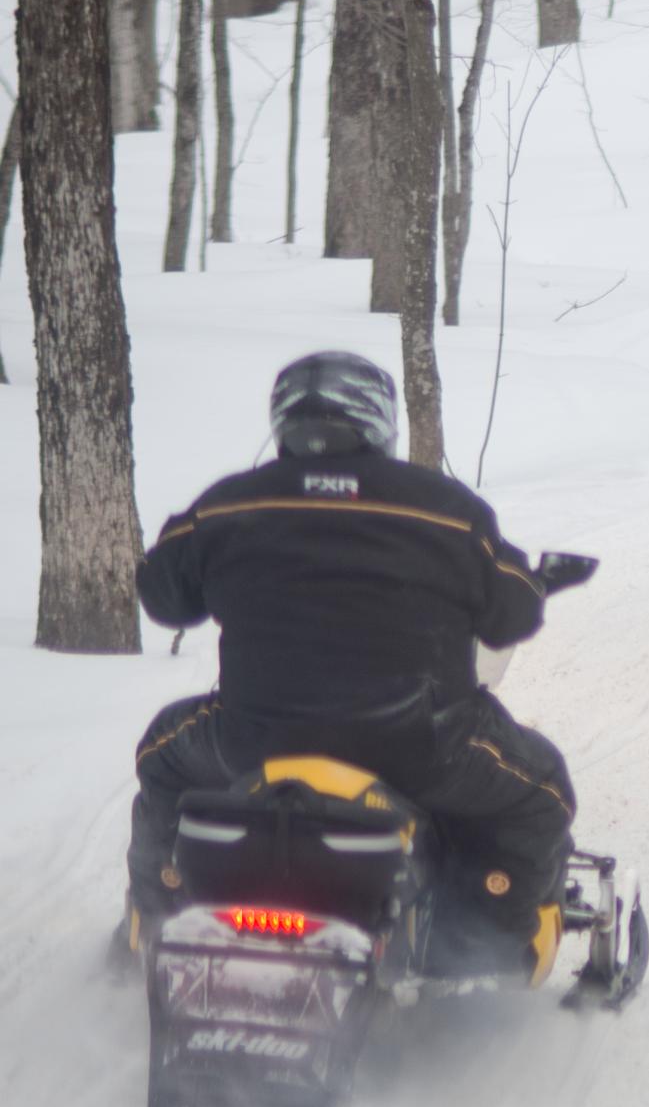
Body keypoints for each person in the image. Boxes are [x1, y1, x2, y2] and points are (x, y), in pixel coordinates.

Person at [124, 351, 575, 973]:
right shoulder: (446, 510)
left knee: (162, 755)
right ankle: (492, 950)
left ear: (283, 419)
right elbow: (514, 614)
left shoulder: (228, 506)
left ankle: (155, 917)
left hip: (253, 743)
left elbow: (162, 596)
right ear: (379, 421)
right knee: (540, 788)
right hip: (419, 749)